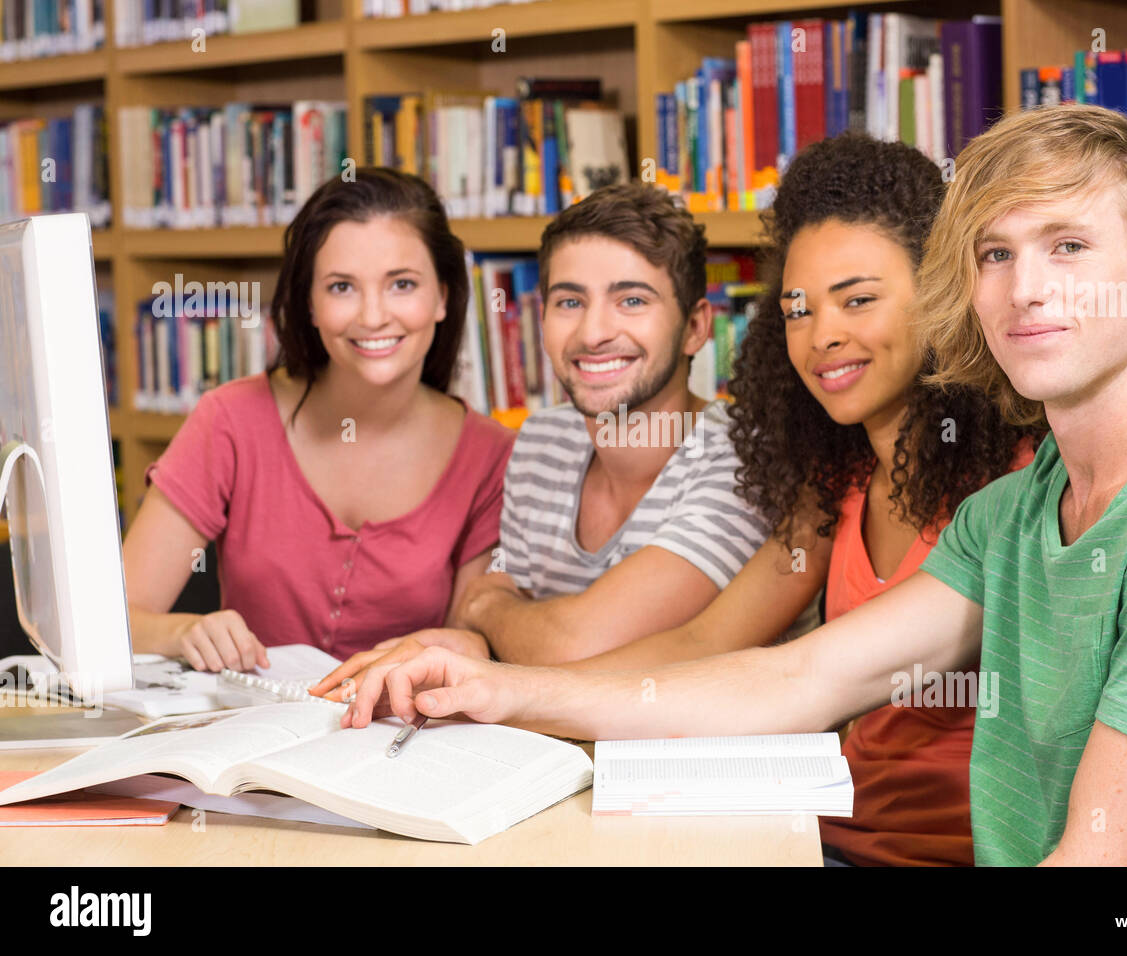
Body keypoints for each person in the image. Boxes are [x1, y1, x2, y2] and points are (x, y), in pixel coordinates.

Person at [347, 105, 1127, 866]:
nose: (1025, 289)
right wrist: (496, 690)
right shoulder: (1018, 506)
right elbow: (804, 674)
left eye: (1069, 247)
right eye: (995, 255)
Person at [323, 134, 1039, 866]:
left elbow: (799, 678)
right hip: (813, 835)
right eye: (798, 309)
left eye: (858, 300)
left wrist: (503, 673)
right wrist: (493, 686)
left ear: (942, 295)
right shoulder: (836, 483)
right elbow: (703, 644)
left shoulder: (1015, 488)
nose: (824, 335)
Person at [312, 182, 788, 684]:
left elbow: (573, 644)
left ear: (694, 328)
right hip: (555, 748)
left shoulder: (742, 457)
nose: (593, 332)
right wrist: (483, 625)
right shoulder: (543, 441)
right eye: (569, 302)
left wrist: (488, 610)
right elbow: (481, 625)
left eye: (631, 300)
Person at [123, 168, 515, 670]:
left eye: (402, 284)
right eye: (341, 287)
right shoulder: (231, 421)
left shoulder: (492, 457)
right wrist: (183, 630)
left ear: (442, 297)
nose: (372, 316)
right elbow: (119, 620)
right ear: (308, 303)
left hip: (403, 739)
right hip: (251, 732)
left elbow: (471, 645)